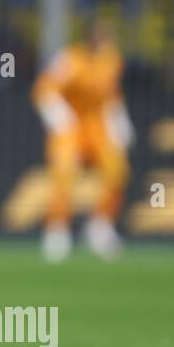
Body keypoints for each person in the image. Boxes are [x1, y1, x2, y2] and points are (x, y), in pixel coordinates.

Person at [31, 17, 133, 262]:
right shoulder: (70, 59)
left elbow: (112, 95)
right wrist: (59, 117)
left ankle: (100, 227)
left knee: (117, 171)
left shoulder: (112, 60)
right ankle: (57, 231)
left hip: (97, 126)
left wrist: (120, 121)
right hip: (71, 125)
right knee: (64, 174)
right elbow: (44, 89)